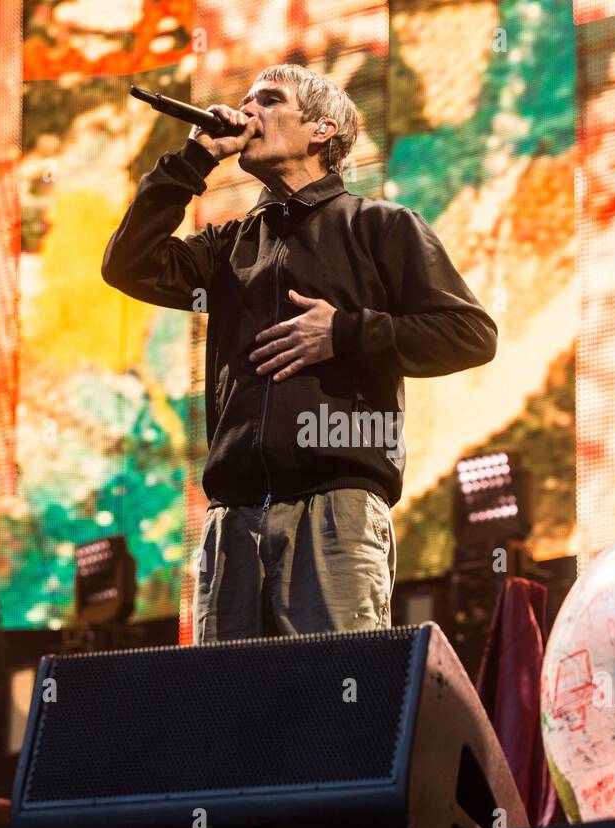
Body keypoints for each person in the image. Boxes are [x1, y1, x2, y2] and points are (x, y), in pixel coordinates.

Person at [102, 64, 497, 643]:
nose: (246, 111)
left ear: (322, 130)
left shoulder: (379, 227)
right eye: (244, 100)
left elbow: (469, 333)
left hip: (336, 507)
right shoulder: (228, 246)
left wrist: (344, 333)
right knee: (229, 720)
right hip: (232, 519)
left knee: (334, 708)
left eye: (269, 99)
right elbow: (127, 264)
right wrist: (192, 161)